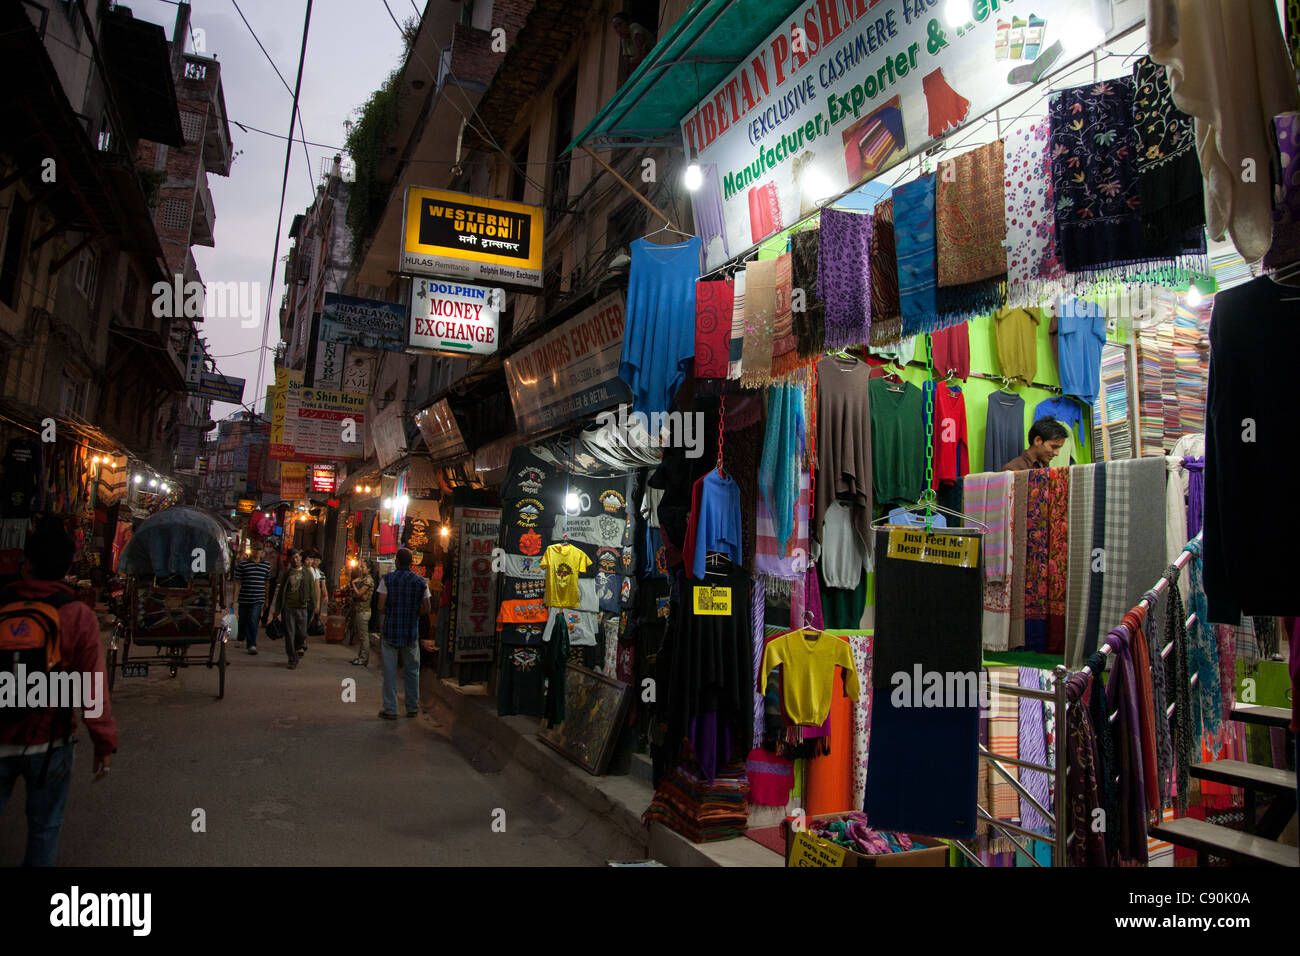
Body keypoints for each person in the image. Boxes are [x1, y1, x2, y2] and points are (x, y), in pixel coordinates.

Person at [0, 517, 117, 866]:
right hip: (50, 742)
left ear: (27, 563)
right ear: (67, 567)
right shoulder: (77, 615)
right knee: (44, 830)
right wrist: (104, 742)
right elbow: (92, 686)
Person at [376, 549, 430, 720]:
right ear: (412, 563)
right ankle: (412, 707)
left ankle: (391, 709)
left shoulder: (387, 580)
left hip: (391, 630)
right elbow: (427, 608)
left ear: (397, 562)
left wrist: (393, 612)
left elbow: (380, 606)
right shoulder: (421, 582)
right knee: (412, 671)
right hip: (410, 632)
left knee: (390, 671)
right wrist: (413, 613)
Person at [270, 549, 316, 669]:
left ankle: (297, 648)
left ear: (300, 557)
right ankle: (292, 658)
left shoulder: (307, 573)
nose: (295, 560)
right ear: (290, 559)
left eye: (297, 557)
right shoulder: (288, 573)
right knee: (289, 634)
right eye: (293, 558)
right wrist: (277, 609)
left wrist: (315, 607)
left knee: (301, 634)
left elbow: (312, 591)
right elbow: (281, 593)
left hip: (302, 608)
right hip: (288, 608)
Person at [232, 545, 271, 656]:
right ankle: (241, 637)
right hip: (244, 597)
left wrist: (266, 600)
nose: (257, 552)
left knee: (253, 620)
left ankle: (251, 644)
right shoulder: (243, 564)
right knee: (243, 619)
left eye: (259, 550)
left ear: (262, 552)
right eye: (255, 550)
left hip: (258, 598)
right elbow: (237, 581)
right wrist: (234, 598)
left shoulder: (266, 566)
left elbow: (267, 583)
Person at [1002, 417, 1069, 471]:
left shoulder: (1045, 466)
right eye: (1053, 447)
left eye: (1059, 448)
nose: (1057, 453)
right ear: (1038, 441)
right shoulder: (1012, 470)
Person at [346, 564, 375, 667]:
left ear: (369, 568)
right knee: (361, 636)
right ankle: (360, 657)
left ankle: (363, 658)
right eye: (361, 567)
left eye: (363, 567)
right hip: (359, 610)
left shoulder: (368, 580)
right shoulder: (363, 579)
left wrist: (353, 584)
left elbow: (361, 595)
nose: (360, 568)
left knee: (364, 636)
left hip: (364, 611)